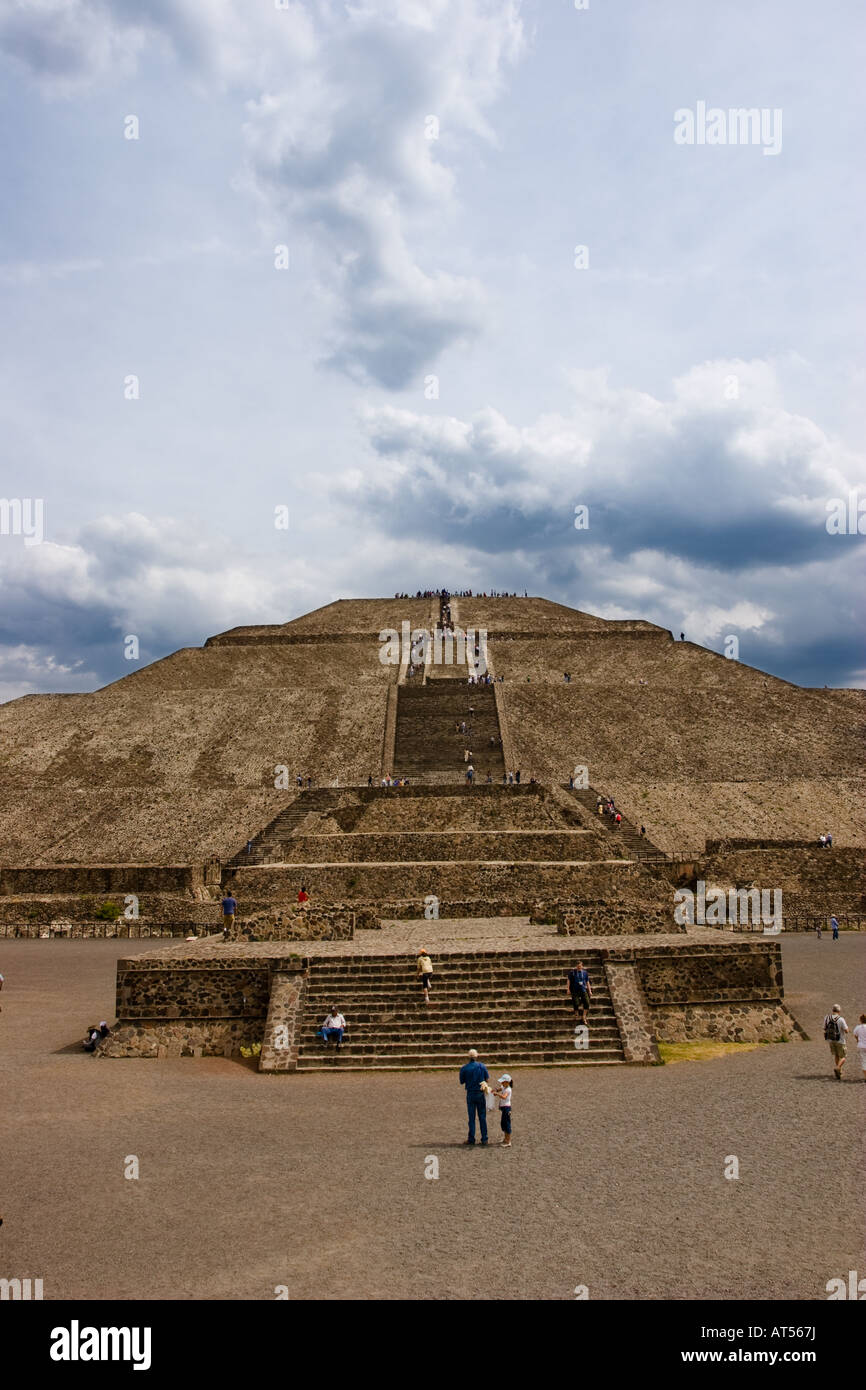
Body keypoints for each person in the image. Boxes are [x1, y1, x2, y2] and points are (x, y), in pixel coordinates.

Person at [459, 1048, 490, 1145]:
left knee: (471, 1117)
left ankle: (471, 1138)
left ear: (469, 1057)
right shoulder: (482, 1066)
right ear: (477, 1056)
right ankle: (484, 1138)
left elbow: (462, 1081)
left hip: (470, 1093)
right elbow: (487, 1079)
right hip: (480, 1093)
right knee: (482, 1117)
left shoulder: (464, 1068)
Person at [823, 1004, 848, 1081]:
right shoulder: (841, 1019)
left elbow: (824, 1028)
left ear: (832, 1010)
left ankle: (839, 1071)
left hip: (831, 1040)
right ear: (839, 1011)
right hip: (840, 1040)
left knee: (836, 1055)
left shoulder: (827, 1018)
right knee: (843, 1057)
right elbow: (846, 1030)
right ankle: (838, 1068)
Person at [493, 1073, 513, 1147]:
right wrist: (495, 1090)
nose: (501, 1083)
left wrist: (497, 1094)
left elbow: (504, 1097)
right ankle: (505, 1138)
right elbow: (499, 1089)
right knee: (503, 1123)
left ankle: (508, 1141)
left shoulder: (508, 1090)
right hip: (504, 1108)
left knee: (507, 1124)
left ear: (507, 1082)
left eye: (503, 1082)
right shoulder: (504, 1087)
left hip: (507, 1108)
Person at [853, 1014, 866, 1083]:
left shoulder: (858, 1027)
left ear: (860, 1020)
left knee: (864, 1061)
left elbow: (855, 1034)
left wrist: (858, 1040)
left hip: (861, 1046)